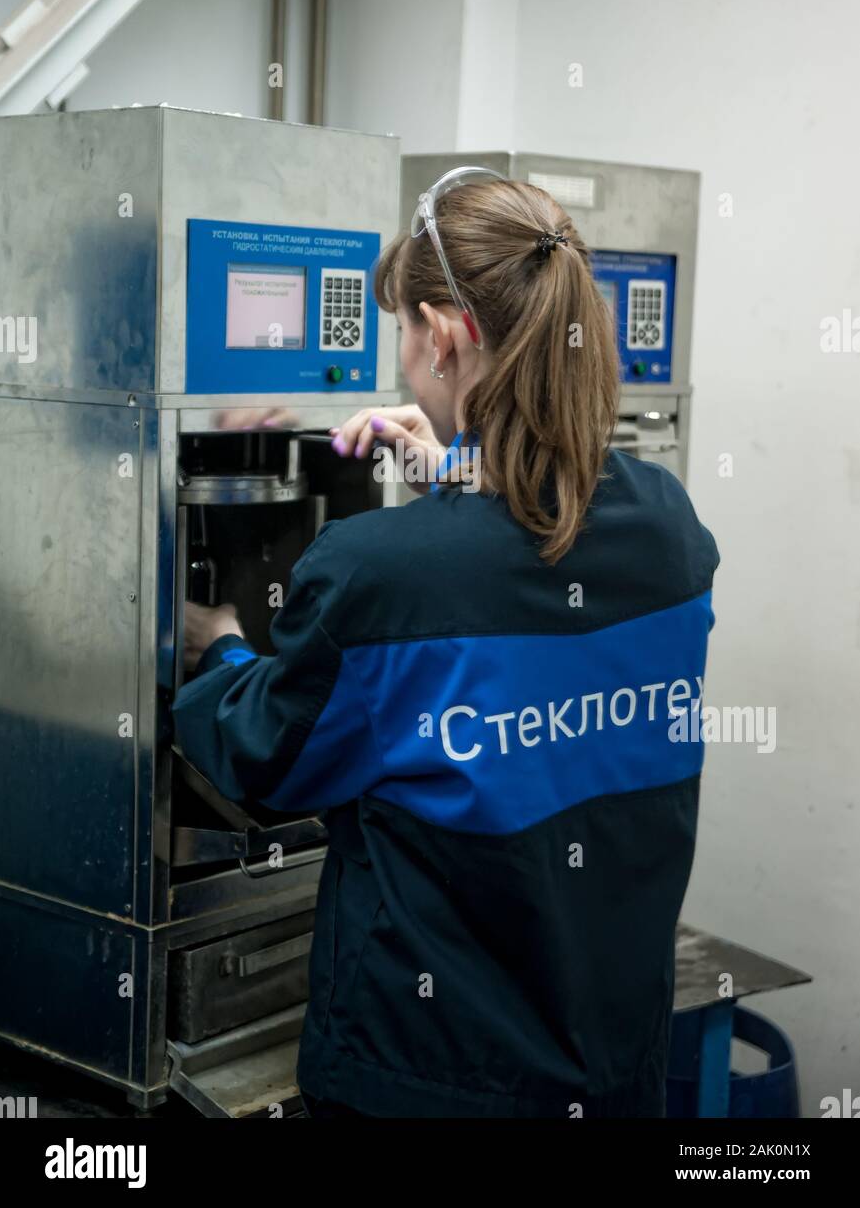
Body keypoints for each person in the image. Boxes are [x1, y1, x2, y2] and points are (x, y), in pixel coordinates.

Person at [174, 167, 719, 1119]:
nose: (401, 369)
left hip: (426, 1081)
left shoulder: (380, 573)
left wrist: (218, 648)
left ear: (443, 333)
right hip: (613, 1063)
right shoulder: (667, 525)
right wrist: (458, 479)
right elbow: (529, 583)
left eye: (401, 338)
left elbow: (267, 756)